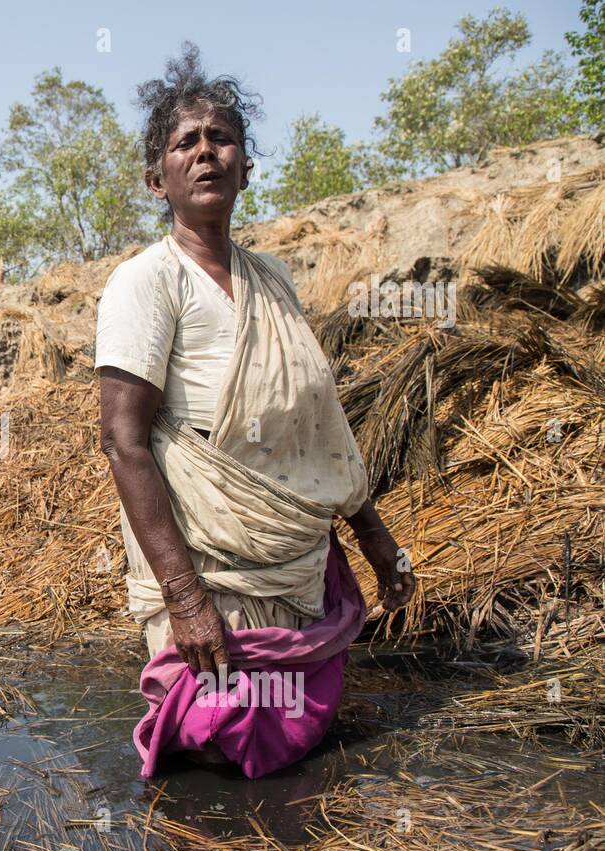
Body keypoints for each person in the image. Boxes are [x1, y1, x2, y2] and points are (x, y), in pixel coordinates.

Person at [95, 45, 415, 779]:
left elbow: (319, 421)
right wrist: (184, 596)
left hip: (292, 550)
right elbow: (123, 442)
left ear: (245, 166)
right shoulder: (146, 282)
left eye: (222, 139)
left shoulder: (272, 278)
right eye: (186, 143)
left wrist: (372, 536)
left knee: (288, 747)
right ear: (158, 179)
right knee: (219, 740)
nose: (206, 153)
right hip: (208, 552)